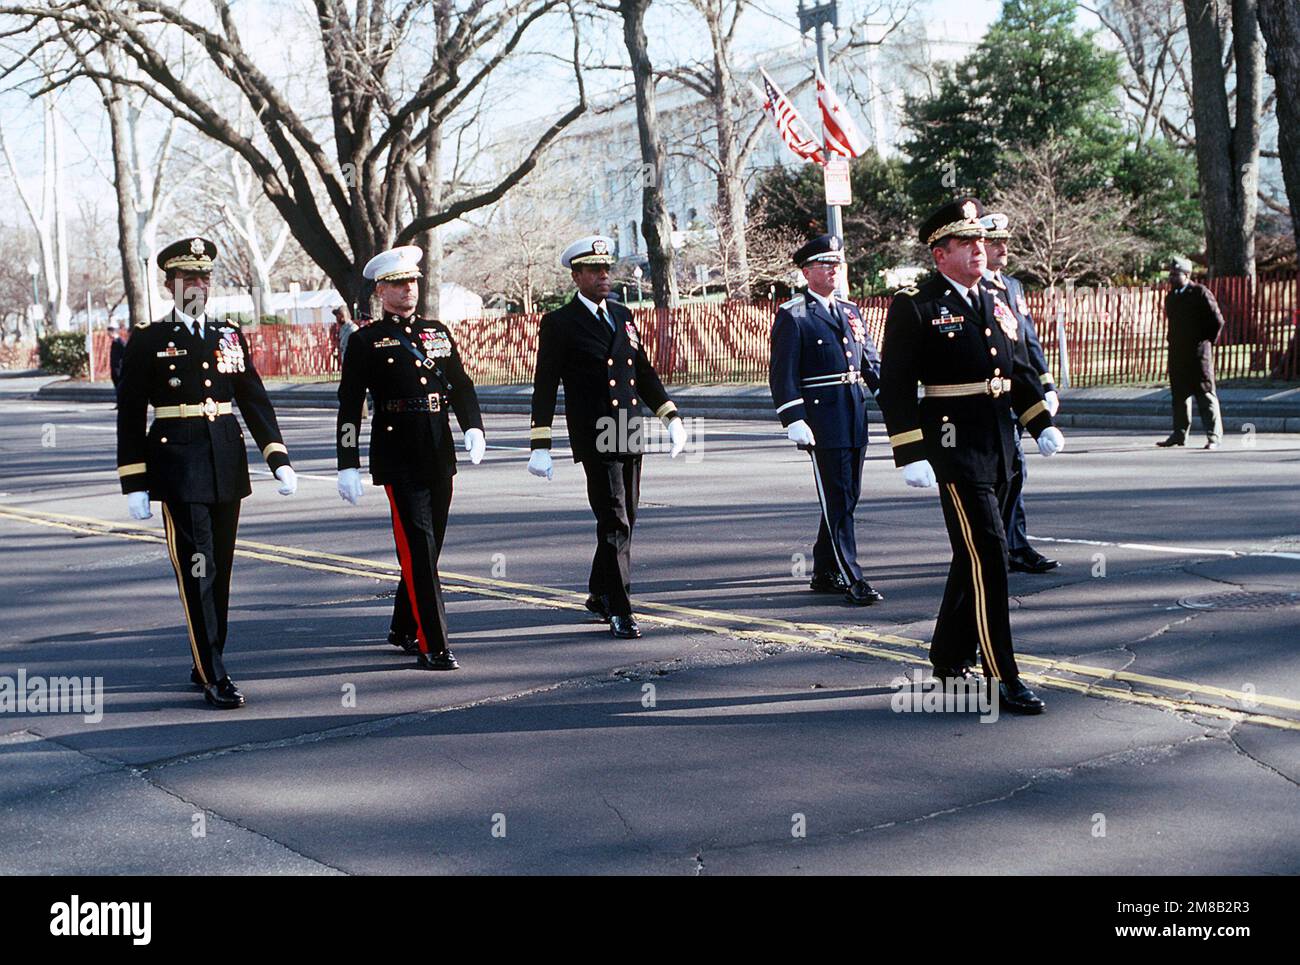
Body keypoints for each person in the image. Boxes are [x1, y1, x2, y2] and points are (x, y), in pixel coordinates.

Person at [877, 198, 1065, 715]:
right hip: (954, 449)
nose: (981, 249)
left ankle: (947, 652)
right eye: (967, 242)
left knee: (974, 556)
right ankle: (1002, 674)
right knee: (990, 559)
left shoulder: (998, 297)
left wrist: (1040, 422)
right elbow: (894, 387)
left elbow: (1018, 367)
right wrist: (909, 451)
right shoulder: (915, 304)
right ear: (941, 254)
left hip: (1001, 446)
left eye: (982, 241)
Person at [115, 236, 297, 709]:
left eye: (204, 277)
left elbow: (253, 398)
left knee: (221, 570)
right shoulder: (150, 339)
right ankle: (215, 673)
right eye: (188, 277)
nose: (198, 284)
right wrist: (134, 481)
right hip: (177, 465)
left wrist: (276, 456)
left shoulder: (228, 334)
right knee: (198, 571)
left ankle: (206, 659)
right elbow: (130, 413)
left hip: (225, 460)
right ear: (170, 284)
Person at [527, 236, 688, 640]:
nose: (604, 275)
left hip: (628, 427)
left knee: (626, 518)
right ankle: (620, 606)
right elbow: (545, 384)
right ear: (576, 276)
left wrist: (670, 417)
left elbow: (644, 372)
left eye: (606, 269)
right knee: (614, 518)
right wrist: (540, 444)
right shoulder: (560, 323)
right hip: (595, 431)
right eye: (594, 270)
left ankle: (600, 592)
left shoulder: (621, 314)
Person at [335, 245, 485, 671]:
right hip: (398, 453)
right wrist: (347, 461)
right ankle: (432, 642)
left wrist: (472, 425)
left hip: (438, 448)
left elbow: (460, 384)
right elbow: (350, 405)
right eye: (399, 284)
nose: (408, 290)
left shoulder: (437, 332)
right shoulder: (366, 341)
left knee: (428, 547)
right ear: (381, 291)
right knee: (418, 549)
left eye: (413, 282)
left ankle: (402, 626)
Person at [768, 233, 885, 605]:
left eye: (837, 264)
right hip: (822, 419)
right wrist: (793, 418)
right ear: (807, 272)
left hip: (853, 413)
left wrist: (892, 399)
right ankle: (853, 576)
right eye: (825, 264)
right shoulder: (794, 314)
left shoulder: (850, 310)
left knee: (847, 496)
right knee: (837, 497)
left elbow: (869, 363)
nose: (834, 270)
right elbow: (782, 373)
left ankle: (823, 570)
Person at [979, 213, 1060, 573]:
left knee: (1016, 473)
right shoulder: (975, 287)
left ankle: (1015, 543)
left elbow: (1027, 339)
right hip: (989, 396)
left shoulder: (1012, 286)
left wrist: (1045, 383)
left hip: (1020, 391)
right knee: (1000, 476)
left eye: (1005, 242)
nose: (1003, 248)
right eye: (996, 242)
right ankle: (1000, 544)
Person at [1158, 256, 1225, 450]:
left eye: (1175, 274)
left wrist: (1206, 342)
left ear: (1187, 275)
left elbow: (1217, 321)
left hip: (1198, 354)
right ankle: (1179, 434)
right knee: (1179, 396)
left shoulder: (1200, 293)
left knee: (1205, 395)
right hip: (1178, 354)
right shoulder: (1172, 297)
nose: (1171, 278)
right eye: (1170, 274)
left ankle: (1213, 436)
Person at [108, 323, 127, 407]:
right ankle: (119, 403)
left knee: (120, 386)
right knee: (117, 386)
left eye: (109, 333)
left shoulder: (120, 342)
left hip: (119, 368)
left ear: (113, 332)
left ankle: (122, 403)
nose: (108, 335)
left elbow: (125, 354)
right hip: (114, 367)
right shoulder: (114, 342)